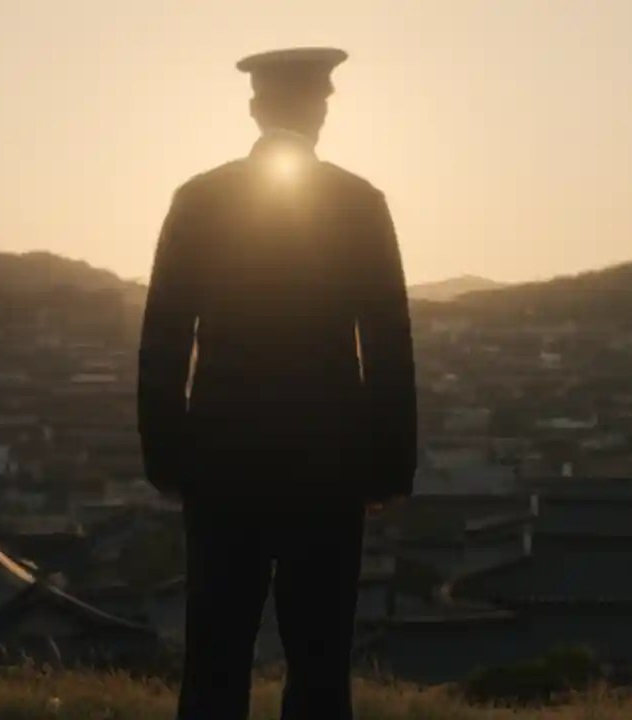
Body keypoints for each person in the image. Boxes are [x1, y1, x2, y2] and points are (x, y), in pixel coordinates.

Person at [137, 47, 417, 720]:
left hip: (220, 456)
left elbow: (165, 338)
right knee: (321, 661)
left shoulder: (199, 200)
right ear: (320, 111)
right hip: (329, 460)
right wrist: (387, 468)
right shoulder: (359, 203)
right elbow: (386, 343)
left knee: (215, 653)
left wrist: (166, 458)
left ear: (256, 109)